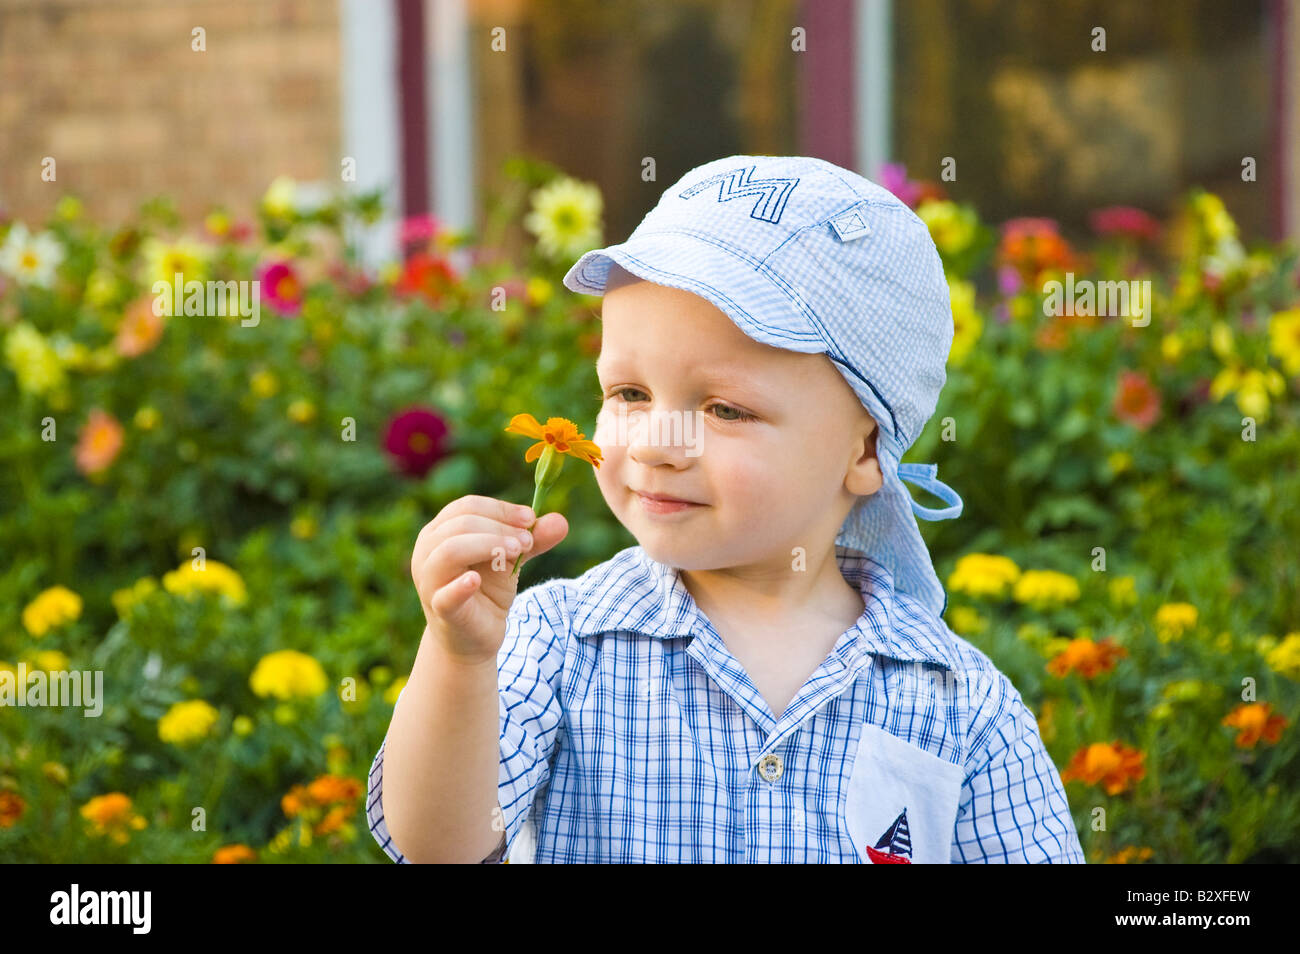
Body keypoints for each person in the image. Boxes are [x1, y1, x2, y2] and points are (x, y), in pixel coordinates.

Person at [367, 155, 1085, 863]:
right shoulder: (556, 644)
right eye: (629, 394)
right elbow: (439, 845)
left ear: (866, 451)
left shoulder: (959, 706)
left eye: (724, 409)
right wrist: (459, 659)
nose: (657, 444)